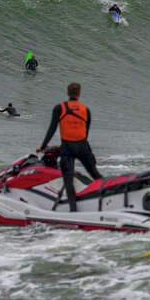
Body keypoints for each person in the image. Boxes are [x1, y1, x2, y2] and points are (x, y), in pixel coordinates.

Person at [38, 82, 102, 212]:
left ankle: (74, 212)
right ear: (79, 94)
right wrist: (89, 152)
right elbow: (85, 133)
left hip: (67, 148)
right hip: (83, 147)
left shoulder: (59, 108)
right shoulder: (86, 109)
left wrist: (43, 147)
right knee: (95, 175)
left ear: (68, 93)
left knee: (68, 182)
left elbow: (52, 129)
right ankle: (110, 196)